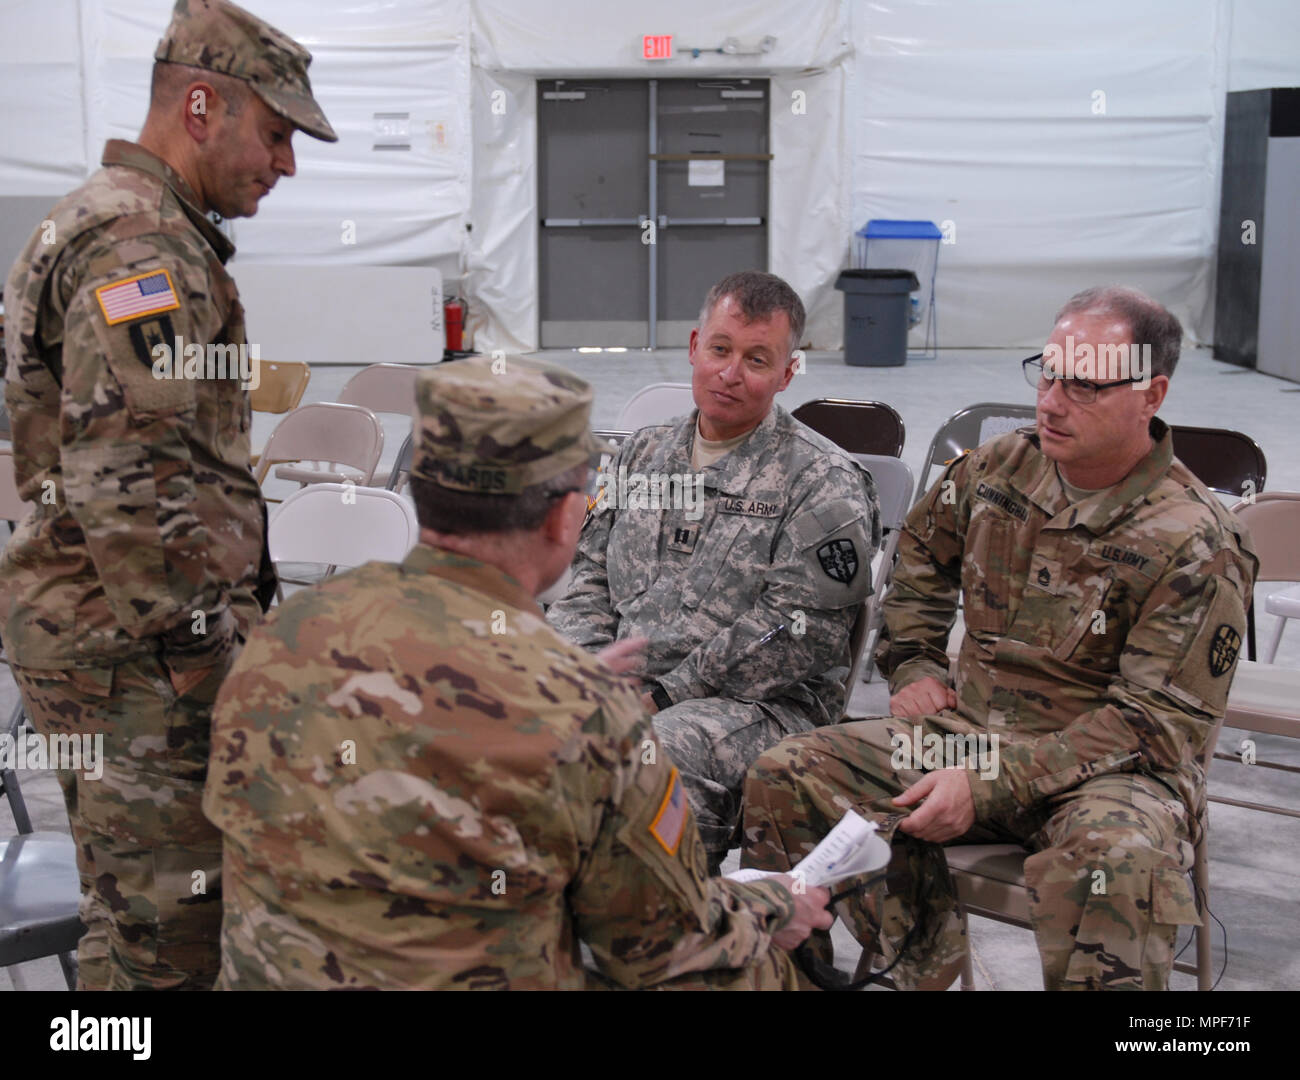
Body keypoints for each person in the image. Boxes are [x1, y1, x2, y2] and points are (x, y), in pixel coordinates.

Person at [201, 356, 831, 990]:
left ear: (421, 494)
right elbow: (662, 945)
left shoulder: (286, 632)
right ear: (564, 517)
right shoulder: (590, 717)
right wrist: (774, 904)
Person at [741, 286, 1258, 990]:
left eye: (1084, 385)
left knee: (1117, 862)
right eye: (1048, 374)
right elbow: (919, 559)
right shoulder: (997, 470)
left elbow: (1154, 727)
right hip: (969, 735)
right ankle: (890, 964)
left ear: (1151, 394)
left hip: (1109, 774)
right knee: (788, 772)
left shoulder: (1196, 541)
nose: (1051, 402)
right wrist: (914, 661)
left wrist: (986, 785)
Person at [0, 0, 336, 990]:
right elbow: (130, 484)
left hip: (105, 642)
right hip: (137, 662)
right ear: (201, 106)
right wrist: (210, 662)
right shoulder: (138, 247)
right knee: (168, 937)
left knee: (135, 914)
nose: (286, 164)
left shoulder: (110, 219)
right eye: (274, 133)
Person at [547, 270, 880, 871]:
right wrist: (589, 675)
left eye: (757, 359)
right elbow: (589, 580)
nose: (730, 373)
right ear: (695, 346)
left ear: (787, 373)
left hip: (762, 706)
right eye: (721, 350)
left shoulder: (822, 482)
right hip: (624, 684)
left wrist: (661, 695)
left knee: (649, 756)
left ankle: (671, 918)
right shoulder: (642, 454)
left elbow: (800, 634)